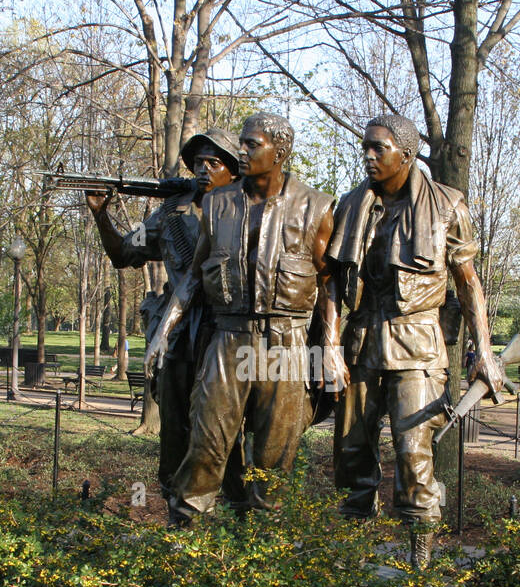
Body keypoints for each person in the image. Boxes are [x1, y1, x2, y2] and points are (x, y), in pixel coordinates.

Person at [145, 112, 345, 523]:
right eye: (243, 141)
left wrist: (332, 350)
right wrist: (163, 331)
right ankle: (184, 543)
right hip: (229, 340)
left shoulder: (316, 207)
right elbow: (193, 280)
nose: (242, 149)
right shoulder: (219, 204)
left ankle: (260, 556)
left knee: (274, 461)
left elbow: (330, 286)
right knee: (206, 446)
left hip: (285, 344)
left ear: (280, 151)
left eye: (252, 144)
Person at [327, 114, 502, 569]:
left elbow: (468, 283)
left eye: (378, 148)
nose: (368, 155)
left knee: (413, 455)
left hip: (418, 346)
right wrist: (329, 344)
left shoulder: (446, 205)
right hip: (362, 343)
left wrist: (483, 348)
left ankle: (419, 566)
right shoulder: (349, 206)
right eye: (365, 146)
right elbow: (331, 284)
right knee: (351, 453)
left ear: (405, 154)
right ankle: (352, 560)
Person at [86, 128, 244, 504]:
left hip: (230, 328)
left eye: (214, 162)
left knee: (231, 424)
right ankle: (177, 507)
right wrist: (101, 216)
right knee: (174, 421)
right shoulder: (170, 212)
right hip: (180, 330)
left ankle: (238, 508)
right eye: (198, 163)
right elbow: (124, 253)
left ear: (234, 170)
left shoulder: (249, 209)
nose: (203, 169)